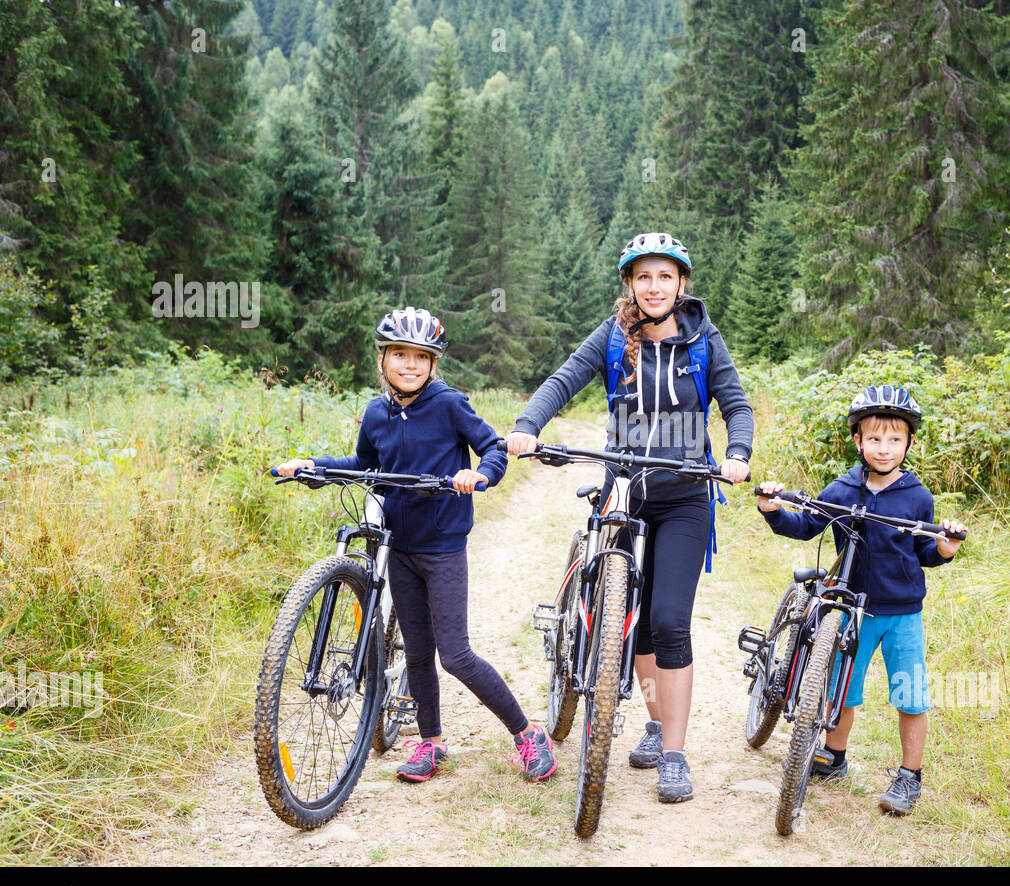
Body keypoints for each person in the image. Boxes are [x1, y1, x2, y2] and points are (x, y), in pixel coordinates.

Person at [505, 233, 753, 803]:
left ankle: (673, 752)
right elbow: (564, 379)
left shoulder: (703, 338)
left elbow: (735, 404)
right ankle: (654, 718)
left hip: (687, 492)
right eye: (644, 277)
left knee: (669, 619)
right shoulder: (615, 334)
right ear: (631, 284)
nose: (655, 286)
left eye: (665, 276)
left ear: (681, 283)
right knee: (631, 621)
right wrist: (528, 424)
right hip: (625, 488)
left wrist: (736, 454)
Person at [273, 307, 557, 784]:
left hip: (442, 545)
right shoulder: (375, 411)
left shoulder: (448, 404)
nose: (410, 364)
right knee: (419, 653)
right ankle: (431, 742)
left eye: (421, 356)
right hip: (397, 547)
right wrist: (314, 465)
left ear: (433, 362)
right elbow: (365, 464)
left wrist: (479, 474)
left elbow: (491, 447)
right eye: (399, 354)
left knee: (455, 654)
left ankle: (528, 733)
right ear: (382, 359)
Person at [756, 385, 965, 814]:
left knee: (911, 694)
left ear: (909, 443)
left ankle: (910, 777)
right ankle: (834, 756)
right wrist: (773, 509)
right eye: (874, 439)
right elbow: (806, 525)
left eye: (894, 440)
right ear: (858, 441)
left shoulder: (917, 496)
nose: (883, 448)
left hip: (902, 613)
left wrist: (943, 549)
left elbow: (923, 552)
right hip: (851, 609)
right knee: (840, 690)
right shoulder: (841, 489)